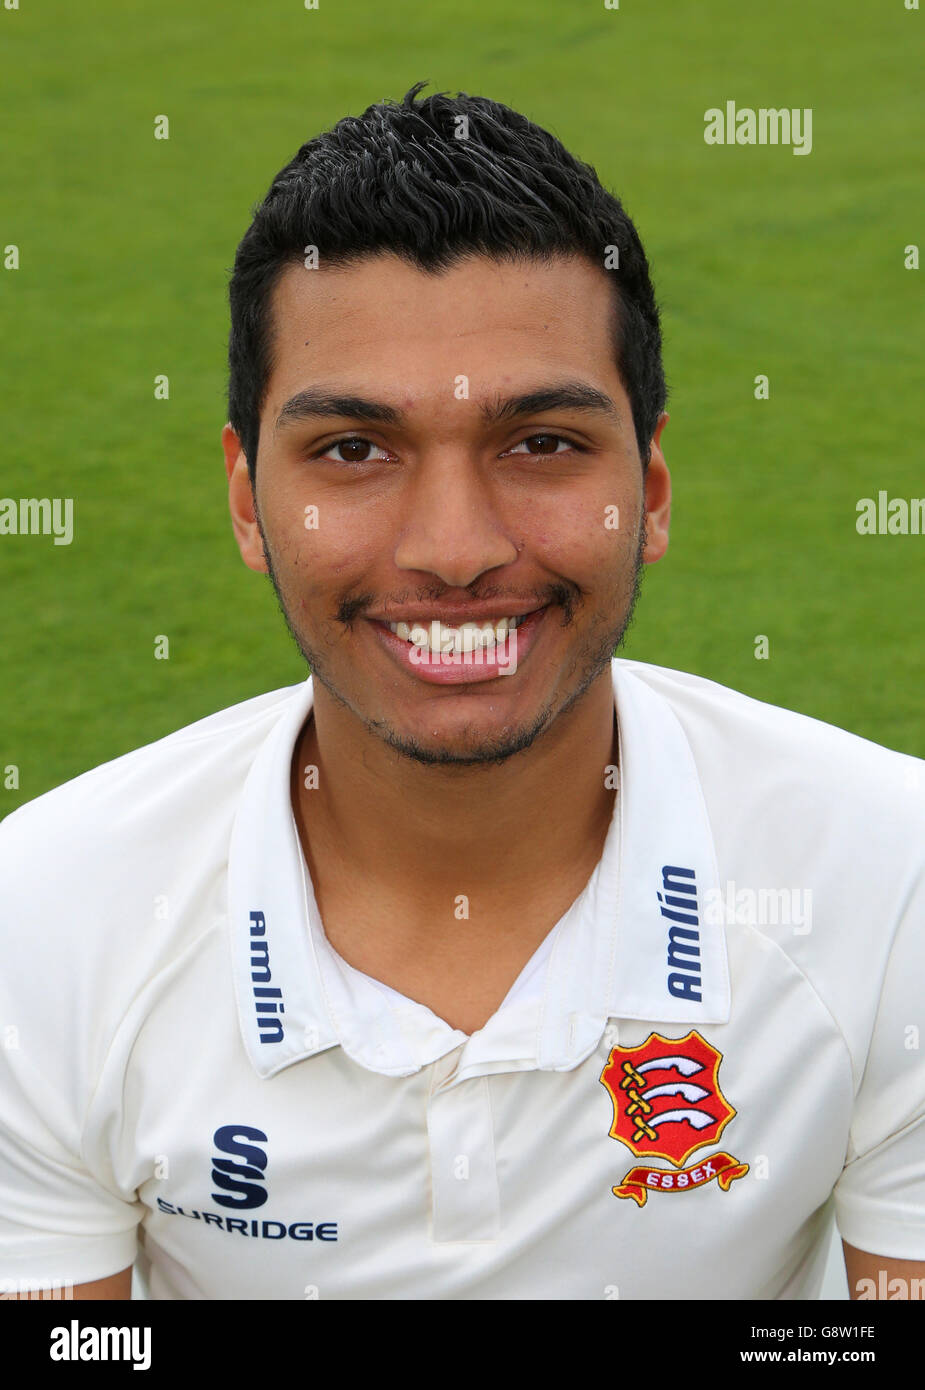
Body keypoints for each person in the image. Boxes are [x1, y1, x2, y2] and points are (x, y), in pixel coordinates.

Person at [1, 82, 923, 1302]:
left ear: (648, 490)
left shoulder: (893, 876)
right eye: (353, 450)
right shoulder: (46, 919)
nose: (452, 547)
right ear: (245, 498)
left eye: (540, 442)